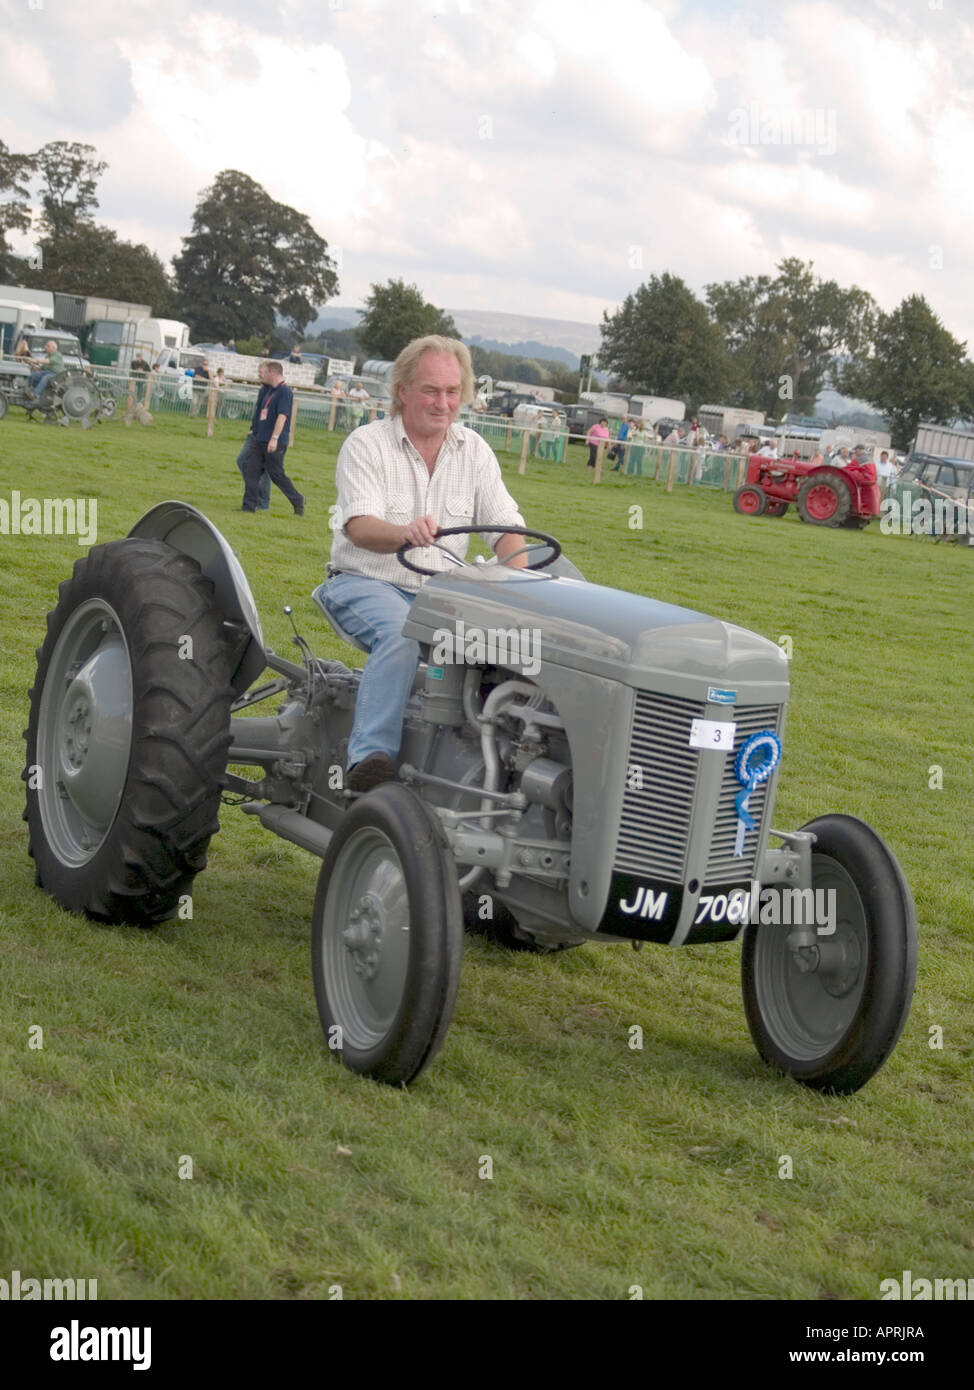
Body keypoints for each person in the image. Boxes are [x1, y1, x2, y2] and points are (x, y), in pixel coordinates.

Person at [313, 334, 530, 792]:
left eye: (453, 392)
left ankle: (491, 770)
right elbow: (359, 527)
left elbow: (506, 529)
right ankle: (369, 763)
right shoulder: (366, 444)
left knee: (514, 646)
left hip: (442, 594)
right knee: (401, 634)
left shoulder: (474, 451)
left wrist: (522, 585)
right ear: (403, 390)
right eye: (431, 390)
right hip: (365, 580)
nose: (443, 402)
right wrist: (404, 533)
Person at [239, 361, 304, 515]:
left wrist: (274, 438)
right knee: (251, 471)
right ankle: (248, 507)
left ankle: (298, 500)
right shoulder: (269, 391)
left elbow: (282, 416)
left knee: (276, 475)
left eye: (265, 372)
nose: (261, 375)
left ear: (273, 373)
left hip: (274, 441)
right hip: (260, 439)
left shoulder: (285, 392)